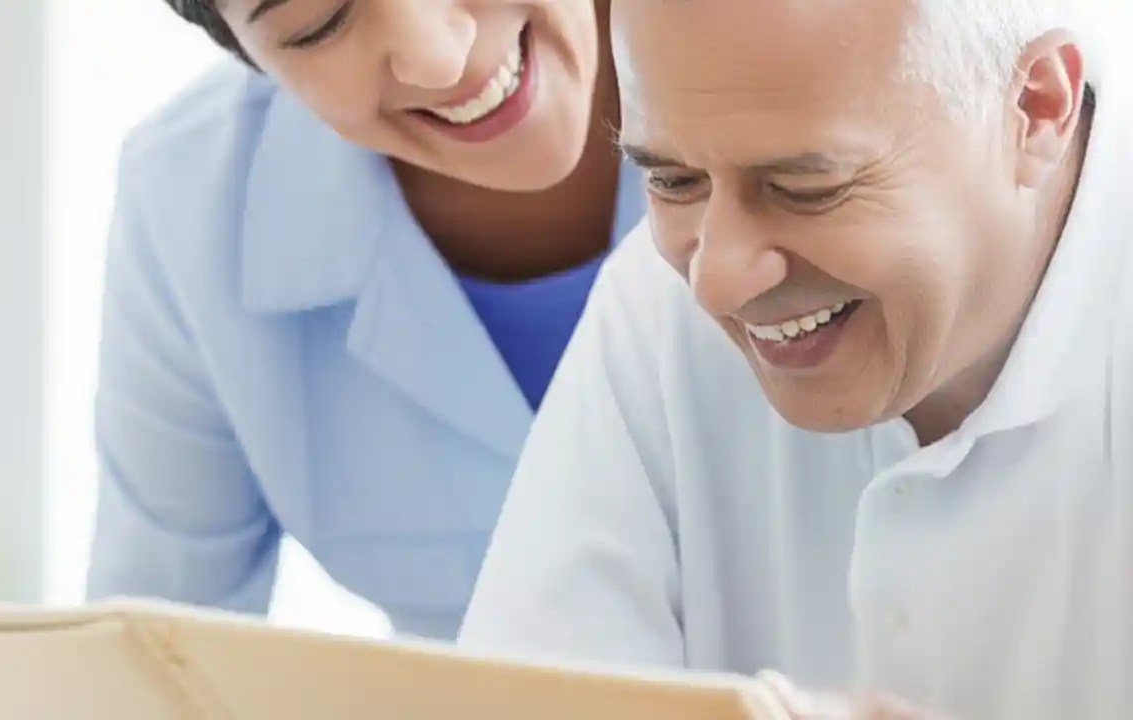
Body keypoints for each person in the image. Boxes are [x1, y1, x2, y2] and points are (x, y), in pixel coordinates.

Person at [459, 0, 1132, 717]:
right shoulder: (654, 307)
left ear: (1036, 109)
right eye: (672, 182)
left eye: (805, 189)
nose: (716, 282)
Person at [85, 0, 646, 642]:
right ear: (246, 52)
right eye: (320, 25)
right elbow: (154, 660)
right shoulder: (192, 208)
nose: (439, 59)